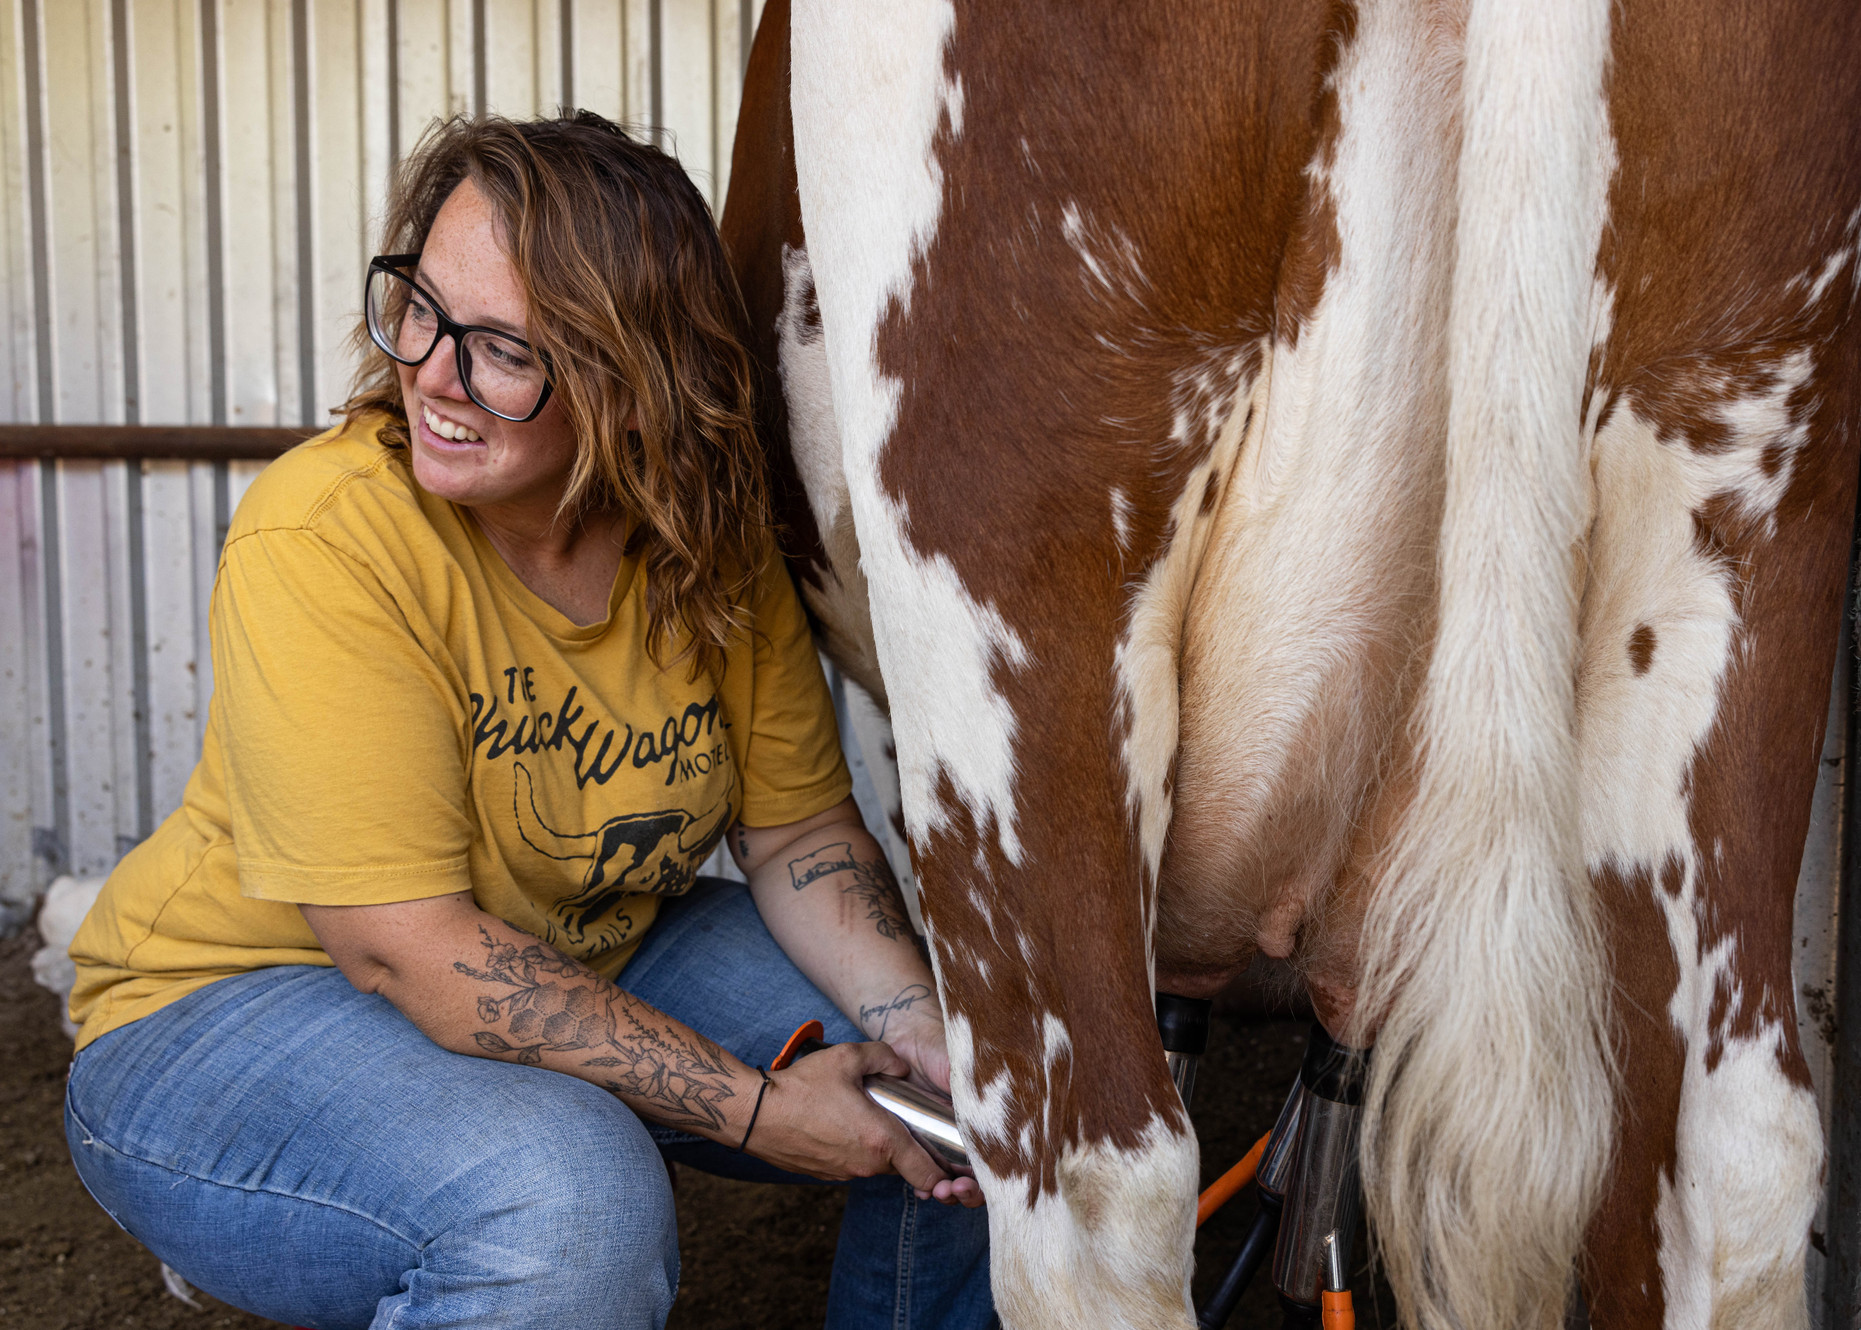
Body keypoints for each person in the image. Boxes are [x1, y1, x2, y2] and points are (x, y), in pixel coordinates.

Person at [62, 111, 993, 1330]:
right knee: (572, 1206)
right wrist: (767, 1112)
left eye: (503, 347)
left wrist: (922, 1035)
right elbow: (409, 947)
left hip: (576, 938)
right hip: (229, 1009)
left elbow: (800, 840)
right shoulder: (327, 533)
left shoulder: (704, 540)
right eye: (421, 307)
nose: (433, 374)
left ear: (635, 375)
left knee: (975, 1094)